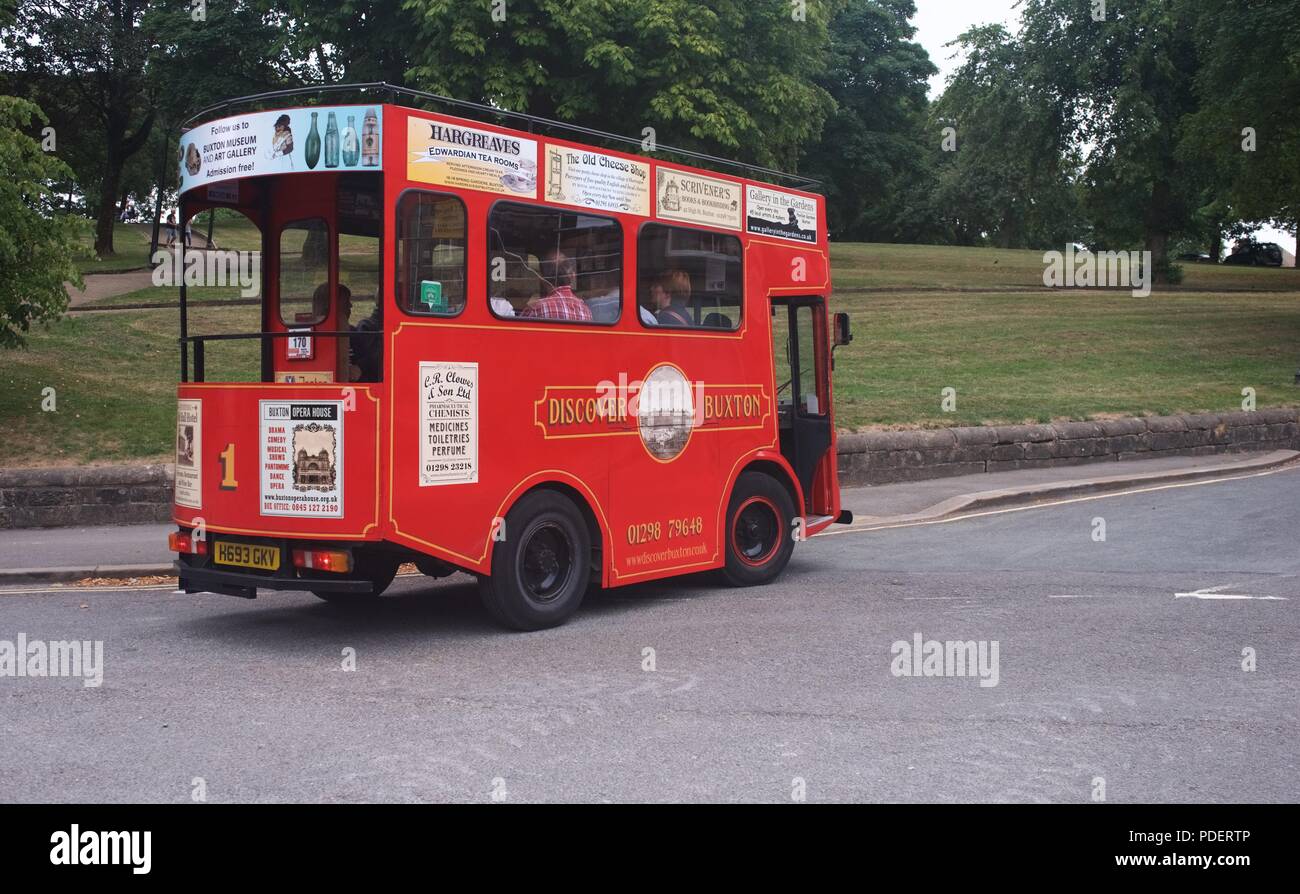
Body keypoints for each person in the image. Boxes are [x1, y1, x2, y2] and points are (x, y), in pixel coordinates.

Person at [519, 250, 593, 321]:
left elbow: (517, 332)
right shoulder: (585, 310)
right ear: (572, 276)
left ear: (541, 278)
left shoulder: (536, 308)